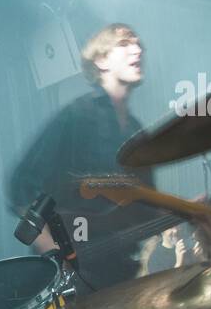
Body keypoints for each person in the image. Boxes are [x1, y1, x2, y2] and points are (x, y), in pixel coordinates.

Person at [8, 23, 156, 289]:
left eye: (139, 44)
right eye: (124, 44)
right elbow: (21, 187)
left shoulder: (137, 132)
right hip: (74, 275)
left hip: (120, 269)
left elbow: (144, 210)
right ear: (101, 61)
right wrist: (56, 256)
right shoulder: (77, 116)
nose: (137, 49)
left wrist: (188, 210)